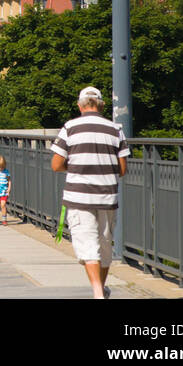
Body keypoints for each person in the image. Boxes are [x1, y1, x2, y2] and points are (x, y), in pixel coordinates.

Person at [50, 86, 129, 299]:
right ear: (101, 105)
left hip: (79, 197)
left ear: (79, 105)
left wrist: (76, 166)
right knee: (104, 248)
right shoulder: (115, 129)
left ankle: (97, 293)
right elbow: (122, 169)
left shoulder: (70, 128)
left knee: (87, 246)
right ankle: (101, 290)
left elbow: (56, 164)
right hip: (107, 196)